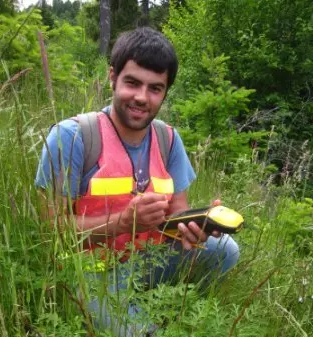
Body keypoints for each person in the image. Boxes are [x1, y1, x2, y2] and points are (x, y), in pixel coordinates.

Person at [36, 27, 239, 336]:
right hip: (89, 273)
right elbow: (50, 231)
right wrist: (122, 221)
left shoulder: (168, 139)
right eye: (132, 83)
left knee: (225, 248)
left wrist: (194, 226)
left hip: (148, 262)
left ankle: (172, 308)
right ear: (113, 77)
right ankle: (140, 322)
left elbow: (176, 214)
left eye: (155, 88)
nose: (142, 98)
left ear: (166, 91)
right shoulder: (72, 136)